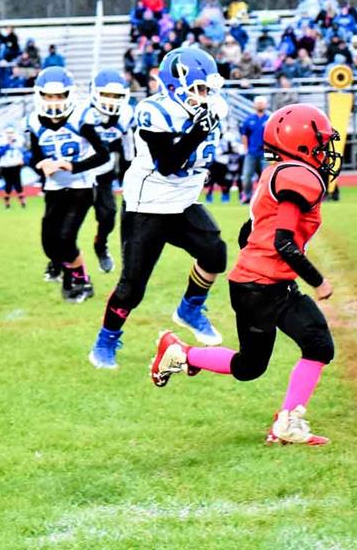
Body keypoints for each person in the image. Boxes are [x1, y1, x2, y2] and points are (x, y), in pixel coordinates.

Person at [151, 104, 342, 446]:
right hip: (260, 287)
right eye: (320, 142)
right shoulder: (296, 177)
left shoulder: (276, 172)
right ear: (300, 142)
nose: (325, 150)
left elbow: (247, 232)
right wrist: (318, 281)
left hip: (263, 283)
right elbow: (284, 242)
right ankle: (183, 355)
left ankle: (285, 420)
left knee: (300, 350)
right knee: (263, 362)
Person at [88, 47, 229, 370]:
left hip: (183, 202)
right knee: (132, 286)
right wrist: (197, 131)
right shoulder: (154, 111)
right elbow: (167, 164)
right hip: (147, 205)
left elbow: (204, 154)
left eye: (208, 89)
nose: (206, 96)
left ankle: (190, 309)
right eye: (199, 89)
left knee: (215, 253)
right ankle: (105, 340)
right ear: (175, 86)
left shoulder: (215, 107)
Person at [26, 66, 109, 302]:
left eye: (59, 95)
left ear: (69, 94)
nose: (53, 101)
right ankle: (68, 272)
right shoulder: (33, 121)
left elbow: (103, 154)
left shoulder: (82, 116)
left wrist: (72, 166)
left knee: (65, 238)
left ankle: (82, 280)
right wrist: (41, 164)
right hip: (54, 187)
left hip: (80, 186)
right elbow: (34, 156)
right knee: (49, 244)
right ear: (39, 95)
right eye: (48, 96)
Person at [86, 69, 134, 275]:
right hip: (76, 176)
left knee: (108, 217)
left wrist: (130, 175)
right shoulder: (82, 113)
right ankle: (57, 258)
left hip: (103, 174)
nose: (111, 101)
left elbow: (129, 148)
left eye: (116, 96)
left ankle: (100, 245)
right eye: (106, 94)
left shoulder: (126, 115)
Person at [239, 96, 270, 203]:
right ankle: (247, 196)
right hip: (251, 152)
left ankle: (265, 197)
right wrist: (246, 148)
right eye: (258, 103)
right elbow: (244, 134)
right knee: (247, 175)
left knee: (266, 177)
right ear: (254, 105)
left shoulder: (270, 119)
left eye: (262, 103)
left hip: (266, 153)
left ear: (266, 105)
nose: (260, 105)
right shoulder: (248, 119)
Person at [0, 127, 28, 209]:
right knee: (8, 184)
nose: (10, 135)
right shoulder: (1, 141)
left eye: (11, 132)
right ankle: (7, 202)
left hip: (16, 165)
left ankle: (22, 202)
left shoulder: (19, 141)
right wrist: (7, 144)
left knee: (18, 183)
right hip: (6, 166)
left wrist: (23, 160)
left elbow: (23, 152)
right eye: (8, 133)